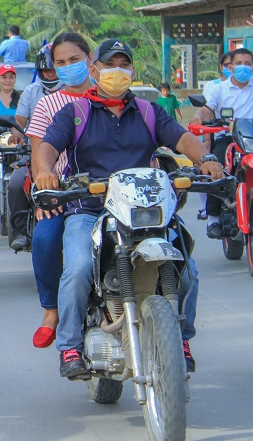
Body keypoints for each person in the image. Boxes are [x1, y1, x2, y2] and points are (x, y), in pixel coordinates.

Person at [33, 38, 221, 379]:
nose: (116, 71)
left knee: (188, 270)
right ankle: (70, 346)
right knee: (76, 270)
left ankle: (180, 339)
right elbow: (46, 146)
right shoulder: (75, 112)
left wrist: (206, 159)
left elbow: (181, 139)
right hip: (90, 210)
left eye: (124, 65)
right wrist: (45, 170)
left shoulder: (149, 111)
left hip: (146, 211)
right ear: (94, 70)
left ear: (132, 71)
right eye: (109, 65)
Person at [24, 33, 94, 347]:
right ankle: (51, 310)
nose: (68, 67)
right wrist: (45, 188)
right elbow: (39, 156)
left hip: (115, 191)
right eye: (61, 63)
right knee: (46, 236)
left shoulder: (109, 96)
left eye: (74, 60)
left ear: (90, 60)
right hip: (66, 192)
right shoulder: (48, 104)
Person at [5, 43, 63, 252]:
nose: (49, 74)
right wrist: (16, 134)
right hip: (35, 153)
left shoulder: (73, 89)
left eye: (53, 69)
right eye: (45, 70)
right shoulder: (31, 91)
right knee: (15, 183)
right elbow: (20, 121)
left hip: (67, 154)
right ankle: (20, 232)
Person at [191, 47, 253, 238]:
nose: (244, 67)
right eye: (239, 64)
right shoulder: (219, 89)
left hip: (251, 137)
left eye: (249, 64)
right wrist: (198, 118)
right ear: (230, 67)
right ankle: (213, 219)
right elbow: (207, 109)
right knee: (214, 165)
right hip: (228, 137)